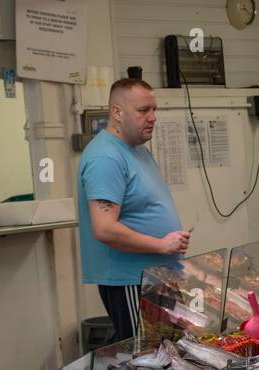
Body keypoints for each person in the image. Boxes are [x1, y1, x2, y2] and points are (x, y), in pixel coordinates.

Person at [77, 78, 191, 344]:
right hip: (131, 280)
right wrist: (161, 245)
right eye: (143, 111)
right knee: (145, 357)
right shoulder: (105, 158)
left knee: (173, 353)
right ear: (117, 112)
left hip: (158, 275)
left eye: (154, 110)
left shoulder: (137, 150)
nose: (152, 118)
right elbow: (104, 228)